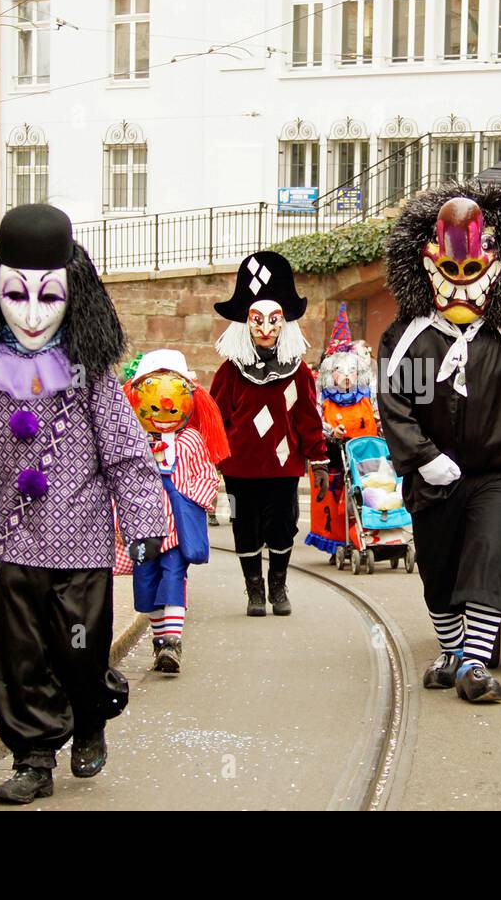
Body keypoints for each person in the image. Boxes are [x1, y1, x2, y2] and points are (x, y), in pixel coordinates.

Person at [0, 203, 167, 803]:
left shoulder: (92, 377)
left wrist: (142, 522)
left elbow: (127, 455)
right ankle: (33, 756)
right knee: (18, 655)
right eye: (16, 295)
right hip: (16, 544)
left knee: (80, 649)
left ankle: (90, 717)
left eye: (48, 298)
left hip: (81, 545)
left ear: (74, 296)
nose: (32, 315)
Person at [378, 185, 501, 704]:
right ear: (427, 265)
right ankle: (451, 651)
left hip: (496, 471)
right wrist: (423, 457)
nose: (461, 284)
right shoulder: (410, 337)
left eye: (471, 271)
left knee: (486, 556)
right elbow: (397, 402)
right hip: (433, 478)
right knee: (438, 566)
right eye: (450, 270)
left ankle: (474, 664)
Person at [209, 250, 329, 618]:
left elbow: (308, 418)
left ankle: (277, 585)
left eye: (273, 320)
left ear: (284, 323)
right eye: (256, 320)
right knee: (244, 528)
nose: (264, 328)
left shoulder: (299, 373)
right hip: (240, 468)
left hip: (284, 467)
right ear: (245, 323)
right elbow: (214, 417)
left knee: (283, 527)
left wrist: (320, 459)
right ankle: (254, 591)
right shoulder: (230, 372)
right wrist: (206, 460)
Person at [118, 349, 229, 674]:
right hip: (142, 526)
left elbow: (207, 475)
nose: (163, 412)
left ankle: (172, 642)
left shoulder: (191, 440)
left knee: (174, 577)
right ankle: (158, 641)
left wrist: (190, 498)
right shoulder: (133, 440)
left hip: (176, 527)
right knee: (146, 583)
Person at [305, 304, 379, 557]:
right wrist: (330, 432)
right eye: (341, 371)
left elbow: (378, 417)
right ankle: (339, 541)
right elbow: (314, 419)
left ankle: (369, 536)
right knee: (335, 496)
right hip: (336, 455)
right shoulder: (322, 397)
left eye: (352, 372)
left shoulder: (368, 395)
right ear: (330, 373)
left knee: (369, 494)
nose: (347, 377)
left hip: (367, 455)